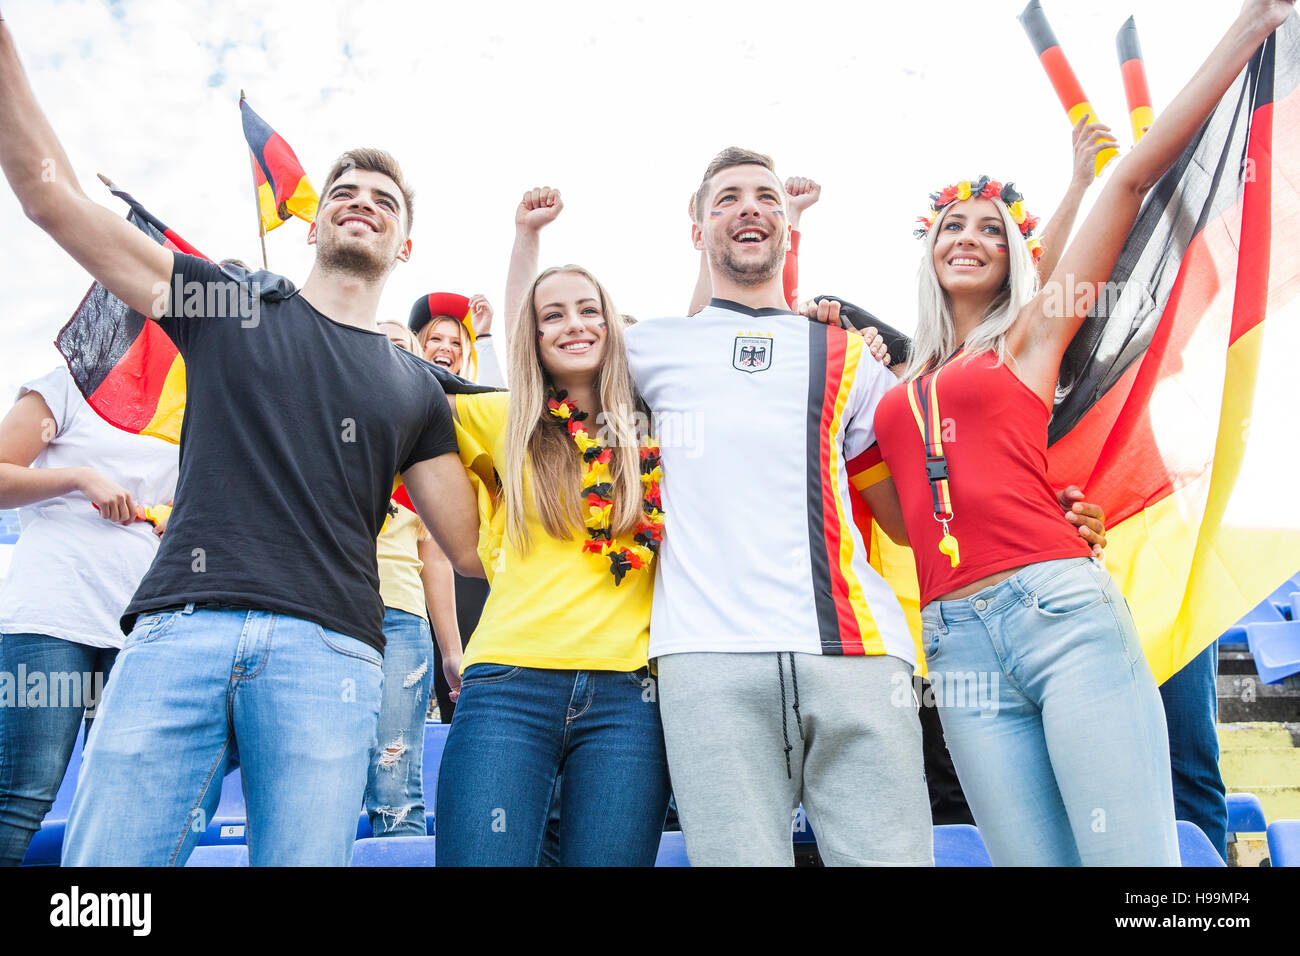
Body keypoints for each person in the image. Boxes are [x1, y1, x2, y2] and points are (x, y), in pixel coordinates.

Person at [0, 17, 482, 865]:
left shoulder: (417, 387)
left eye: (384, 201)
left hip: (329, 652)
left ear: (405, 244)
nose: (361, 202)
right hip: (176, 632)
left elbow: (474, 549)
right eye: (344, 191)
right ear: (313, 225)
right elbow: (52, 200)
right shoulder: (226, 302)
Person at [855, 0, 1293, 865]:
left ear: (1020, 258)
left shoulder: (1031, 335)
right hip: (956, 642)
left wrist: (1248, 27)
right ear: (927, 250)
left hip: (1058, 611)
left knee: (1131, 865)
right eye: (954, 225)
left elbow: (1130, 182)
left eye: (992, 228)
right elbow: (906, 525)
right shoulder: (890, 389)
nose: (971, 236)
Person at [622, 147, 931, 867]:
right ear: (696, 230)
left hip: (855, 651)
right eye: (726, 198)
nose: (749, 207)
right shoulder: (646, 348)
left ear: (789, 228)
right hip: (706, 657)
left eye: (765, 196)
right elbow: (538, 397)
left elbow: (915, 501)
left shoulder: (848, 355)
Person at [434, 264, 670, 866]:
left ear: (612, 323)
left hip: (629, 698)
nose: (575, 325)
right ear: (531, 336)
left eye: (590, 310)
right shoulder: (499, 416)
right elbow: (387, 381)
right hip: (509, 686)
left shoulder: (661, 422)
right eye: (553, 315)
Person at [0, 364, 176, 865]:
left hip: (141, 625)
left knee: (116, 802)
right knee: (24, 793)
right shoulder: (68, 384)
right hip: (52, 614)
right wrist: (79, 479)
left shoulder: (199, 404)